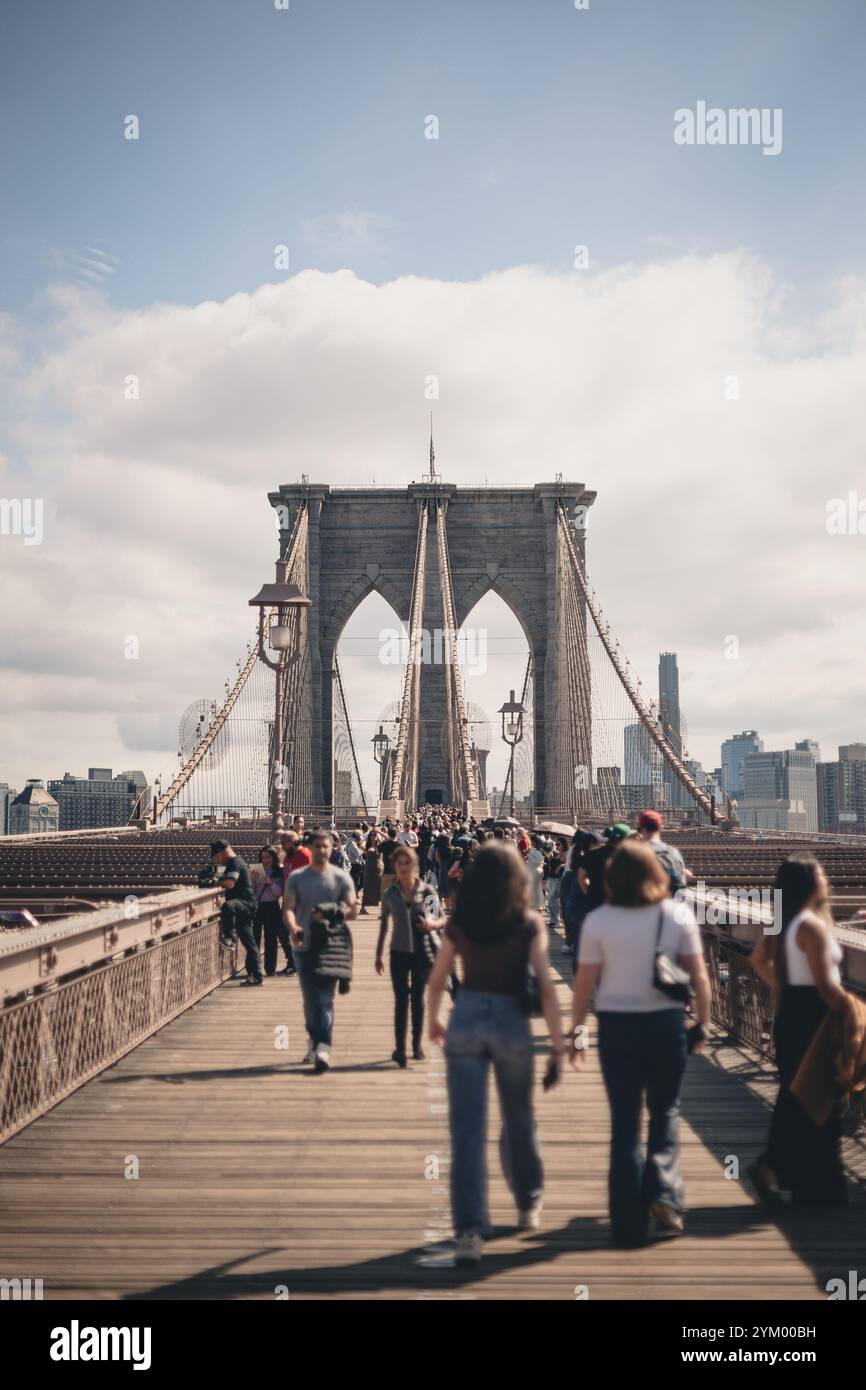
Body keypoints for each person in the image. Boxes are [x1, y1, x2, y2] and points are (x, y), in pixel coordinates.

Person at [427, 842, 564, 1269]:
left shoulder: (460, 921)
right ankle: (528, 1202)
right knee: (519, 1118)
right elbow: (545, 987)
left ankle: (469, 1232)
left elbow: (437, 979)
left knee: (466, 1132)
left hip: (466, 1018)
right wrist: (559, 1046)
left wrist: (434, 1020)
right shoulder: (527, 923)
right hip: (510, 1021)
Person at [570, 839, 710, 1247]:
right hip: (666, 1027)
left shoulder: (599, 920)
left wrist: (577, 1033)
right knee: (665, 1112)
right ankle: (665, 1195)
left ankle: (627, 1224)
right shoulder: (677, 915)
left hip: (617, 1030)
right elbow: (700, 979)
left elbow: (583, 987)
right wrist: (701, 1024)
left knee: (625, 1125)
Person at [748, 855, 850, 1208]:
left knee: (796, 1097)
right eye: (821, 875)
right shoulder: (812, 926)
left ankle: (784, 1171)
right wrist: (852, 1010)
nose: (826, 880)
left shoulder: (785, 922)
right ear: (811, 883)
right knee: (818, 1101)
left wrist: (785, 985)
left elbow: (758, 961)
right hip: (816, 1019)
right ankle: (814, 1184)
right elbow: (825, 984)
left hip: (791, 1015)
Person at [282, 828, 357, 1071]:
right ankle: (314, 1038)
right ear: (310, 848)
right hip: (303, 945)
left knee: (325, 1000)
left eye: (326, 846)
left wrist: (330, 911)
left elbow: (352, 910)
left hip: (331, 944)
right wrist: (293, 927)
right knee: (310, 1001)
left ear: (331, 848)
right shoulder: (297, 878)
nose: (322, 850)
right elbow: (289, 909)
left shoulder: (341, 877)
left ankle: (322, 1048)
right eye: (318, 846)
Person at [375, 845, 442, 1066]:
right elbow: (384, 926)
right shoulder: (390, 894)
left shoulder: (428, 892)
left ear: (415, 864)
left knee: (418, 1000)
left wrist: (431, 924)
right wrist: (378, 955)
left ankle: (416, 1045)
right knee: (401, 1001)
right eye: (399, 863)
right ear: (394, 866)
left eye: (408, 863)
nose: (404, 867)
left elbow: (441, 920)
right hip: (398, 951)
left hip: (422, 951)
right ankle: (400, 1048)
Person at [211, 839, 262, 986]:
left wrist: (214, 882)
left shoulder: (235, 863)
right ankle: (255, 975)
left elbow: (229, 883)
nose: (216, 860)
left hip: (245, 904)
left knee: (228, 907)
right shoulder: (235, 862)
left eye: (216, 856)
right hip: (245, 905)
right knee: (249, 942)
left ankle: (229, 937)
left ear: (222, 852)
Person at [252, 846, 293, 976]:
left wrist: (270, 882)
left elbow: (278, 893)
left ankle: (270, 968)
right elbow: (251, 891)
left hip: (271, 905)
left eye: (268, 857)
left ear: (273, 857)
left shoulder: (278, 871)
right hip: (257, 906)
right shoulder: (257, 869)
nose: (265, 860)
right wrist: (252, 880)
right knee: (254, 937)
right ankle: (253, 968)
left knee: (270, 938)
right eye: (263, 857)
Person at [636, 810, 690, 892]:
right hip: (671, 903)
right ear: (661, 828)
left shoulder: (634, 854)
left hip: (644, 903)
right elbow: (683, 882)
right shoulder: (675, 853)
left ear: (640, 829)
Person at [361, 829, 383, 915]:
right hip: (369, 869)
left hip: (378, 869)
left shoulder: (380, 845)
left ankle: (383, 909)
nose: (373, 836)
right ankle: (363, 908)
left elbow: (389, 837)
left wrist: (379, 832)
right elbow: (361, 843)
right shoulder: (367, 844)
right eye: (371, 835)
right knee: (367, 888)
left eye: (374, 835)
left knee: (380, 887)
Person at [380, 825, 401, 897]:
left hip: (386, 872)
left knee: (385, 897)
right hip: (398, 873)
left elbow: (376, 851)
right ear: (396, 834)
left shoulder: (383, 845)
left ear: (388, 834)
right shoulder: (401, 845)